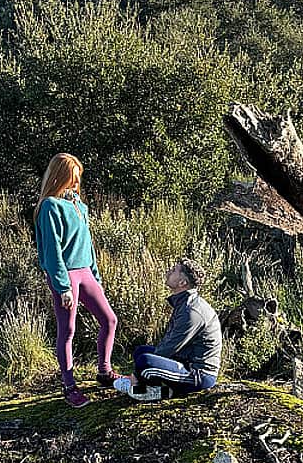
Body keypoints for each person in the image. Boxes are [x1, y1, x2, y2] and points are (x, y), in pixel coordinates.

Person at [34, 153, 119, 408]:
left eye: (78, 177)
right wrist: (63, 287)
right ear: (60, 176)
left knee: (109, 320)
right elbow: (52, 251)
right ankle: (69, 385)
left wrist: (96, 276)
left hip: (86, 273)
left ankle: (104, 371)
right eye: (73, 176)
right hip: (66, 275)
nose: (76, 181)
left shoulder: (80, 206)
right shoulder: (50, 206)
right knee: (68, 330)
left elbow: (87, 244)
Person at [116, 259, 222, 400]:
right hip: (184, 361)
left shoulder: (192, 311)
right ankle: (156, 389)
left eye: (173, 271)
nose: (168, 272)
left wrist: (136, 375)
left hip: (198, 374)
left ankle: (151, 390)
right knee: (141, 351)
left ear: (182, 283)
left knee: (145, 361)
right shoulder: (184, 303)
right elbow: (168, 343)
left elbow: (170, 347)